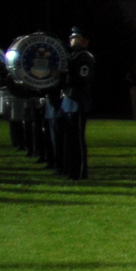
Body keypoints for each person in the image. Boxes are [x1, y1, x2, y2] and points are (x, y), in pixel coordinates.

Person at [59, 28, 94, 180]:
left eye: (75, 37)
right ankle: (71, 169)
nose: (71, 40)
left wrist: (63, 76)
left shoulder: (85, 57)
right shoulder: (73, 56)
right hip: (69, 102)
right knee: (70, 139)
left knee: (77, 140)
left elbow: (82, 80)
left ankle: (79, 171)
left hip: (78, 101)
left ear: (83, 41)